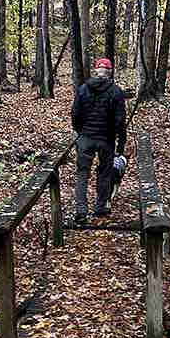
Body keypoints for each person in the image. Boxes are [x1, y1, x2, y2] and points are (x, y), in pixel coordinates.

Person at [71, 57, 127, 225]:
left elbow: (75, 114)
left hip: (86, 138)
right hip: (106, 140)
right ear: (109, 72)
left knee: (82, 173)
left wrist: (80, 132)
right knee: (104, 173)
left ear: (96, 71)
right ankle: (100, 206)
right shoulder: (116, 92)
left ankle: (81, 209)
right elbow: (120, 121)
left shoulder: (83, 89)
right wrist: (121, 144)